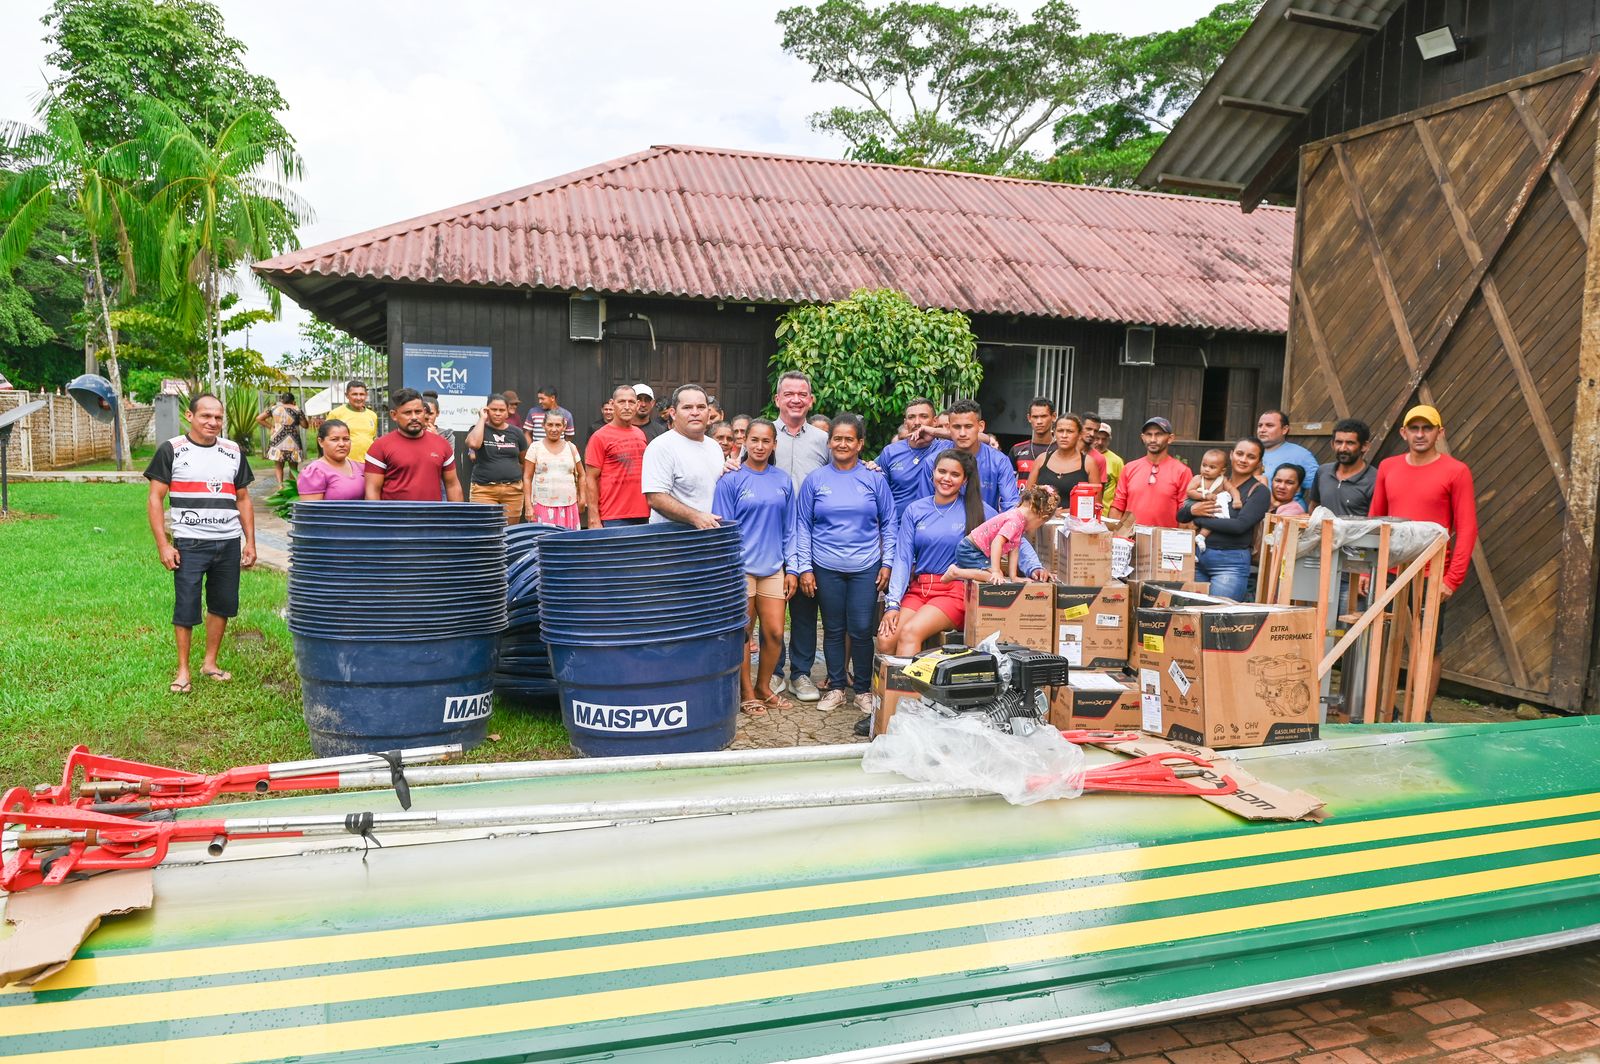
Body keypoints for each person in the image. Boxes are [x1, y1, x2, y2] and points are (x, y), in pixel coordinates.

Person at [143, 393, 257, 693]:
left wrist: (250, 542)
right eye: (206, 416)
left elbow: (243, 499)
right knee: (186, 607)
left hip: (228, 542)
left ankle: (210, 663)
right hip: (190, 543)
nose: (213, 422)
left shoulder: (233, 451)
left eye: (218, 417)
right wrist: (163, 545)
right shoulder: (172, 450)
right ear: (189, 417)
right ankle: (183, 671)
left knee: (222, 605)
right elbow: (155, 499)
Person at [1369, 404, 1479, 709]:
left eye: (1427, 428)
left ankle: (1422, 713)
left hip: (1431, 576)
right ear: (1403, 432)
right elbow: (1375, 520)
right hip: (1389, 571)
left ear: (1439, 433)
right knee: (1380, 641)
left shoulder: (1456, 471)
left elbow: (1467, 528)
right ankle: (1379, 709)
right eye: (1414, 428)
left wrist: (1451, 580)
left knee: (1427, 647)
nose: (1420, 434)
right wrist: (1367, 571)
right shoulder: (1388, 467)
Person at [795, 413, 895, 715]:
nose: (842, 443)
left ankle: (863, 690)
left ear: (860, 443)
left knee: (863, 628)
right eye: (836, 438)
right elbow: (802, 526)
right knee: (834, 629)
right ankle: (837, 687)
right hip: (826, 566)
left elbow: (890, 524)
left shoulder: (874, 479)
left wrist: (887, 563)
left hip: (866, 566)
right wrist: (805, 568)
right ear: (829, 443)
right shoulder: (816, 480)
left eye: (848, 439)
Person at [713, 419, 798, 713]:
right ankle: (746, 692)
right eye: (755, 440)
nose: (760, 446)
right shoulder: (730, 480)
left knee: (774, 632)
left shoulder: (783, 480)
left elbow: (791, 529)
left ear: (774, 444)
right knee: (744, 634)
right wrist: (727, 570)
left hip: (774, 568)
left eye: (766, 441)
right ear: (744, 442)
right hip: (741, 569)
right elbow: (721, 529)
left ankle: (764, 686)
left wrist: (793, 569)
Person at [772, 371, 832, 702]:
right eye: (789, 393)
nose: (796, 398)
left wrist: (869, 467)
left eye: (802, 393)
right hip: (771, 533)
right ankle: (772, 670)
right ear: (777, 399)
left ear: (810, 400)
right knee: (771, 606)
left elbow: (843, 470)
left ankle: (801, 673)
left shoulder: (823, 441)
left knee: (806, 607)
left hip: (812, 534)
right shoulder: (764, 435)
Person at [1180, 437, 1270, 601]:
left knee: (1217, 620)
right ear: (1231, 455)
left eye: (1251, 457)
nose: (1243, 460)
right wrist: (1193, 509)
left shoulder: (1259, 491)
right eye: (1240, 453)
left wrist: (1199, 520)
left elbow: (1239, 526)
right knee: (1188, 617)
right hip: (1196, 559)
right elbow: (1180, 515)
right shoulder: (1213, 480)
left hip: (1230, 564)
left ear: (1258, 462)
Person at [641, 384, 726, 528]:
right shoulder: (661, 447)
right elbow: (655, 498)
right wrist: (695, 517)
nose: (695, 412)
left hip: (710, 535)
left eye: (701, 407)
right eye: (687, 407)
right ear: (673, 413)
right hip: (674, 542)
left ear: (708, 412)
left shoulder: (714, 446)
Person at [363, 388, 464, 501]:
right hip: (394, 517)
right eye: (407, 413)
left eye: (418, 412)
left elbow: (453, 486)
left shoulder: (442, 444)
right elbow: (372, 491)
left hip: (433, 517)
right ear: (394, 415)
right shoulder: (379, 447)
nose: (414, 417)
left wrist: (457, 517)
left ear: (424, 412)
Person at [921, 399, 1018, 512]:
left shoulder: (999, 461)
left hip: (986, 526)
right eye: (957, 427)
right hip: (942, 526)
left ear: (981, 426)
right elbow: (924, 507)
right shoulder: (933, 461)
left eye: (968, 426)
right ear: (948, 427)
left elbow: (1011, 506)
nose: (962, 433)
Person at [946, 486, 1057, 583]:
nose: (1036, 527)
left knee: (998, 573)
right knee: (993, 576)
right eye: (1040, 524)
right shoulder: (1015, 521)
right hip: (969, 550)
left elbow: (1014, 549)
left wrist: (1014, 577)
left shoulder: (1019, 522)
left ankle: (964, 572)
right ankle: (956, 572)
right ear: (1039, 516)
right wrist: (995, 571)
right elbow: (996, 543)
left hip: (978, 551)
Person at [584, 384, 650, 528]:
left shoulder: (640, 434)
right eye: (621, 402)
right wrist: (593, 518)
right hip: (614, 516)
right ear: (612, 404)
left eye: (631, 402)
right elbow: (590, 478)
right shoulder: (599, 437)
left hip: (643, 514)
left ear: (637, 405)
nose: (627, 406)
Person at [874, 396, 950, 516]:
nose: (917, 422)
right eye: (911, 417)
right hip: (897, 527)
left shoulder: (947, 448)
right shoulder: (890, 452)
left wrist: (934, 432)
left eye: (923, 416)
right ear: (905, 423)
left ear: (935, 421)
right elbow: (880, 495)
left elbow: (973, 438)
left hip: (934, 524)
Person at [1108, 416, 1189, 528]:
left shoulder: (1182, 471)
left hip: (1165, 540)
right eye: (1148, 434)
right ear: (1142, 437)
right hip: (1131, 539)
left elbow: (1185, 513)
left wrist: (1180, 542)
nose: (1153, 439)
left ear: (1170, 438)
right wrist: (1113, 537)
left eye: (1159, 434)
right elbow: (1118, 505)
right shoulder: (1129, 468)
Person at [465, 393, 528, 524]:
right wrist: (482, 419)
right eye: (494, 410)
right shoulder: (478, 428)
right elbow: (474, 444)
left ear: (507, 413)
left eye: (501, 410)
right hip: (484, 489)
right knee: (484, 529)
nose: (498, 413)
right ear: (486, 410)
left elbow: (524, 461)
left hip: (513, 491)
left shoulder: (517, 433)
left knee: (510, 532)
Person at [522, 411, 585, 528]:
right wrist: (528, 505)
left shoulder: (571, 447)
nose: (554, 429)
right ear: (543, 425)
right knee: (544, 541)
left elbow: (582, 475)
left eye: (558, 425)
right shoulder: (535, 447)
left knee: (567, 542)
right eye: (550, 425)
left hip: (569, 506)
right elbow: (527, 477)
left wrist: (582, 499)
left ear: (564, 427)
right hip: (542, 505)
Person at [1026, 414, 1105, 503]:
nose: (1064, 435)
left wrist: (1063, 513)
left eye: (1070, 431)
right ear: (1054, 432)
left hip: (1076, 516)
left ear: (1079, 434)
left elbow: (1096, 504)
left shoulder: (1089, 463)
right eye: (1060, 431)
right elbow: (1027, 498)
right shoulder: (1041, 459)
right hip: (1042, 516)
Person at [1309, 418, 1377, 517]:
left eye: (1350, 443)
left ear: (1365, 446)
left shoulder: (1375, 479)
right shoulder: (1322, 472)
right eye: (1339, 442)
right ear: (1332, 444)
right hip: (1322, 532)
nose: (1342, 448)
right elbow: (1314, 508)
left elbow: (1377, 521)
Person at [1257, 410, 1318, 504]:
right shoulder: (1252, 453)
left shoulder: (1301, 455)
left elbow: (1318, 490)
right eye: (1260, 425)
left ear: (1284, 429)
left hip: (1286, 514)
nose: (1262, 430)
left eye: (1269, 425)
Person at [296, 420, 365, 501]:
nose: (342, 444)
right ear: (321, 442)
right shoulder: (315, 472)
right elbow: (312, 511)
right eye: (334, 439)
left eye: (346, 439)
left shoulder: (360, 467)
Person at [1184, 448, 1237, 550]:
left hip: (1211, 511)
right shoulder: (1198, 479)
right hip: (1196, 508)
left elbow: (1232, 489)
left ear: (1222, 471)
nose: (1206, 469)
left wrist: (1237, 499)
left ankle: (1201, 537)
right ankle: (1189, 551)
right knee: (1190, 528)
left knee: (1212, 521)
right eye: (1204, 465)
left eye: (1212, 467)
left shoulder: (1223, 480)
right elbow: (1189, 491)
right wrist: (1204, 496)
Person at [256, 391, 304, 487]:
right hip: (293, 441)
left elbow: (259, 418)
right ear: (293, 401)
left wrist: (271, 427)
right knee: (293, 466)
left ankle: (280, 486)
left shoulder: (274, 408)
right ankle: (291, 487)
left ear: (282, 400)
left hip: (278, 440)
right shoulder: (297, 409)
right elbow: (305, 425)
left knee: (278, 465)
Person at [325, 380, 378, 463]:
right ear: (347, 395)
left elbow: (372, 438)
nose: (358, 398)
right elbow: (326, 440)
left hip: (368, 464)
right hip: (344, 464)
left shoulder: (372, 415)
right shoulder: (335, 414)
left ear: (366, 395)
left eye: (362, 394)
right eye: (354, 394)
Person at [1009, 397, 1056, 489]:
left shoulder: (1061, 450)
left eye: (1043, 416)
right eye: (1035, 417)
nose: (1039, 421)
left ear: (1053, 417)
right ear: (1029, 418)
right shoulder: (1017, 450)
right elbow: (1007, 484)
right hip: (1022, 502)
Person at [1093, 421, 1124, 510]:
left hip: (1106, 514)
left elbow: (1121, 491)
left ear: (1109, 440)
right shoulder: (1084, 457)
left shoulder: (1117, 461)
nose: (1100, 442)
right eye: (1097, 438)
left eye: (1104, 439)